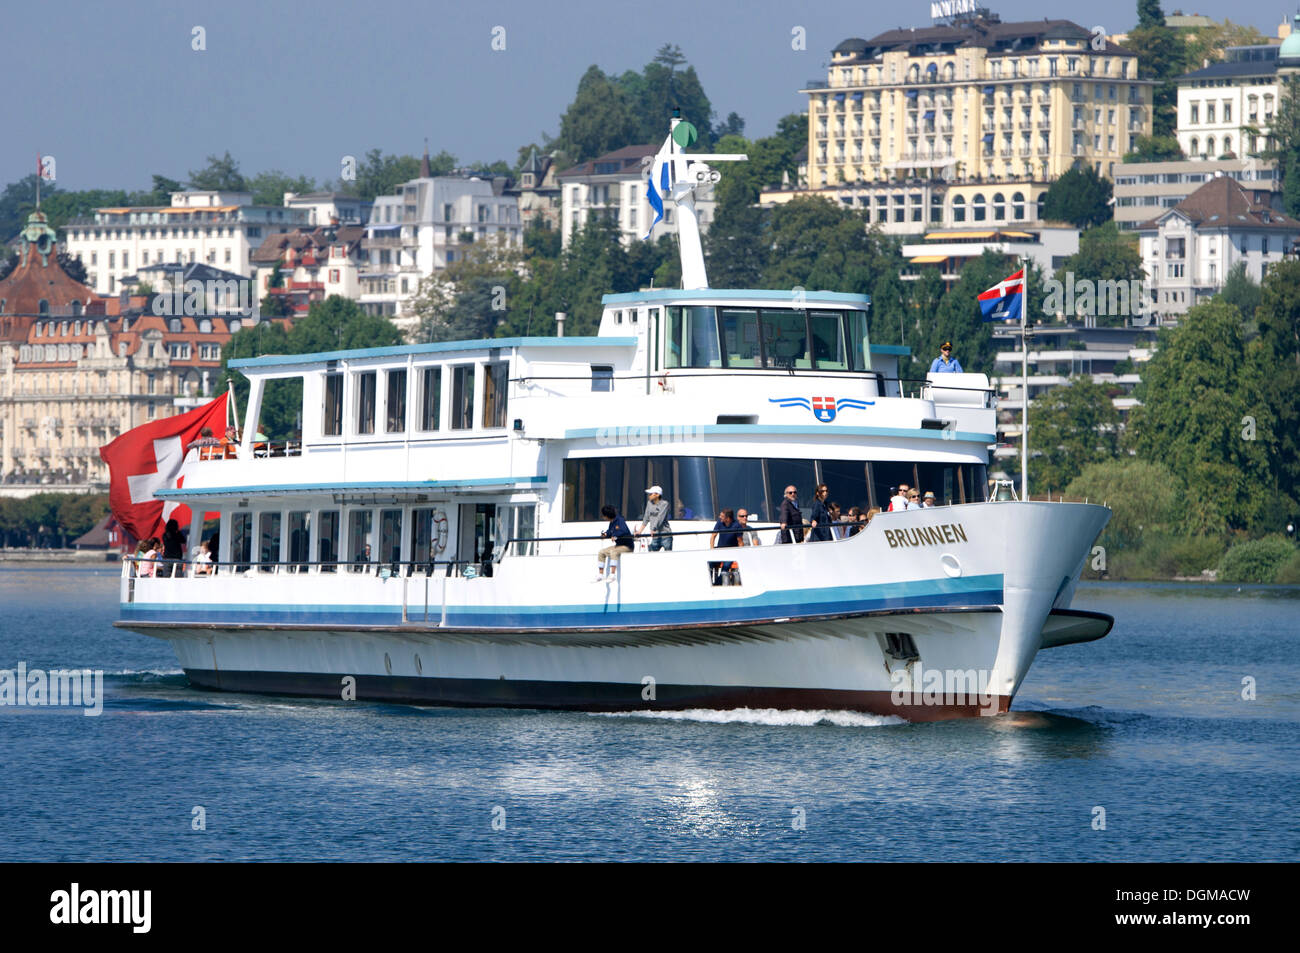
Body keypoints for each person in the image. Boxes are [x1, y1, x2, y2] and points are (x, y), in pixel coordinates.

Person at [596, 504, 634, 581]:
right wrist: (605, 534)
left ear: (607, 515)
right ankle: (600, 575)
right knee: (601, 552)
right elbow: (610, 531)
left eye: (604, 516)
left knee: (613, 552)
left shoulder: (620, 520)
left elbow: (623, 531)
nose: (603, 517)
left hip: (627, 546)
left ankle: (612, 575)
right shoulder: (611, 522)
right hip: (619, 545)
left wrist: (616, 535)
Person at [636, 485, 672, 552]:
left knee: (668, 556)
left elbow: (660, 518)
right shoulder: (649, 503)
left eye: (650, 494)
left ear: (657, 495)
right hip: (655, 536)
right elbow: (646, 518)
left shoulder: (664, 504)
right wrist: (639, 531)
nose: (649, 496)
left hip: (666, 535)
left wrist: (653, 529)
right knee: (652, 554)